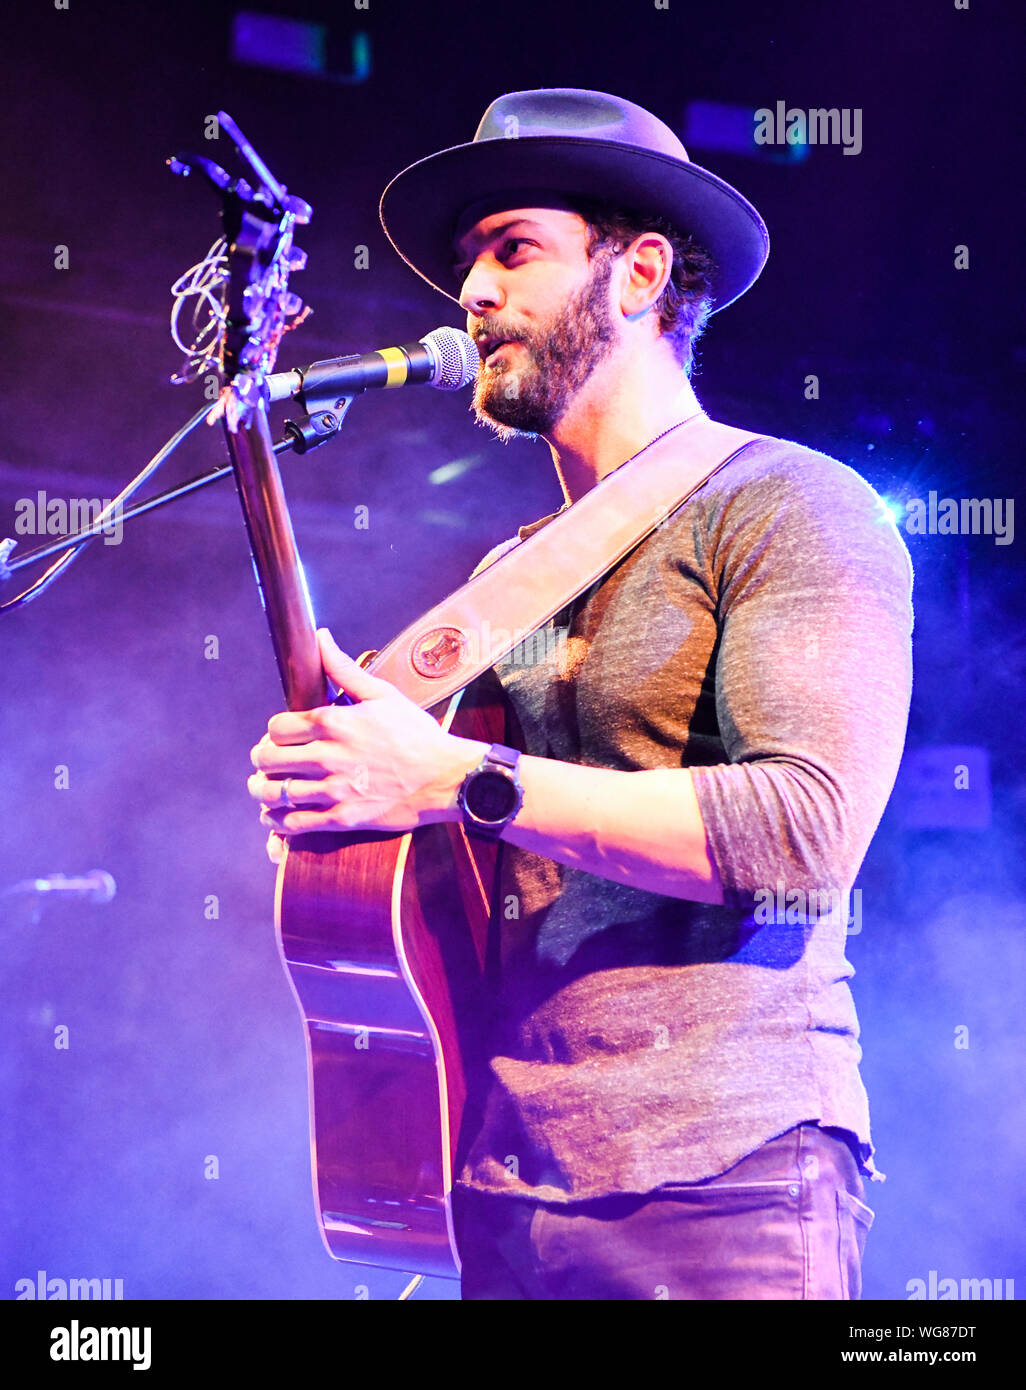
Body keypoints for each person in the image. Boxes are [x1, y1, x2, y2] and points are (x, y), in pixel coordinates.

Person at [247, 89, 914, 1300]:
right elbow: (485, 867)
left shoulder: (793, 505)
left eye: (516, 250)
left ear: (641, 272)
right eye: (468, 265)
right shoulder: (503, 581)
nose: (475, 294)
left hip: (725, 1183)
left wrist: (457, 777)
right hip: (503, 1193)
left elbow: (806, 836)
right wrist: (351, 805)